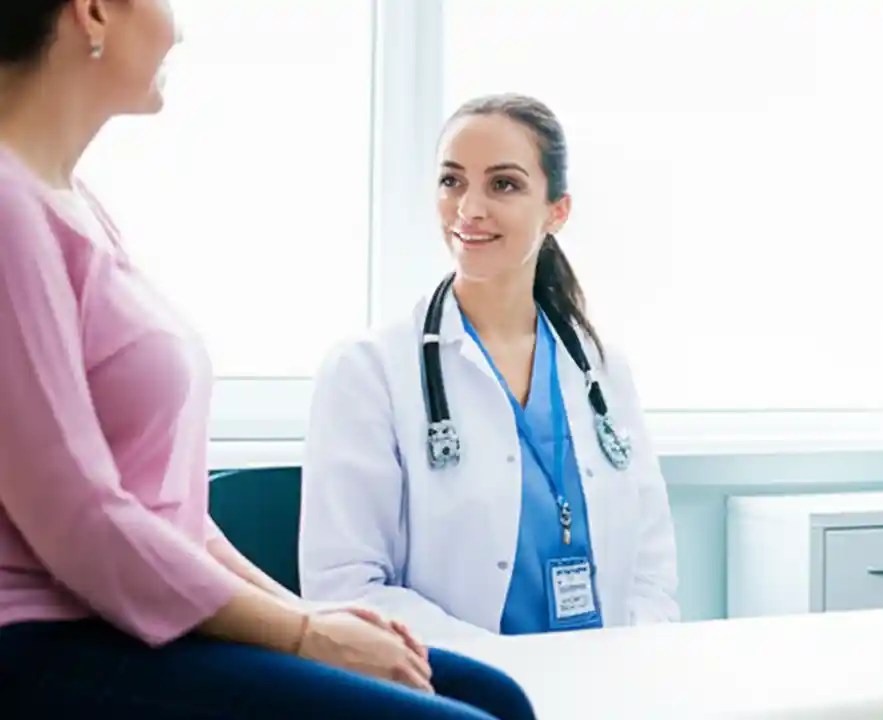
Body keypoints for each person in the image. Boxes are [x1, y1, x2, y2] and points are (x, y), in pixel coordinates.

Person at [0, 2, 534, 718]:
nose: (180, 28)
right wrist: (306, 634)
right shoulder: (7, 209)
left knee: (494, 694)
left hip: (130, 623)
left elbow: (172, 515)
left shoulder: (73, 203)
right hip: (46, 641)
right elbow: (82, 518)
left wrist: (315, 622)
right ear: (93, 12)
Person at [299, 94, 680, 643]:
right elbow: (344, 585)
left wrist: (627, 657)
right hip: (457, 688)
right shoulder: (369, 372)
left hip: (605, 681)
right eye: (452, 181)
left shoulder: (601, 370)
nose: (469, 208)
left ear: (557, 211)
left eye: (503, 184)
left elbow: (652, 569)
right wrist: (498, 670)